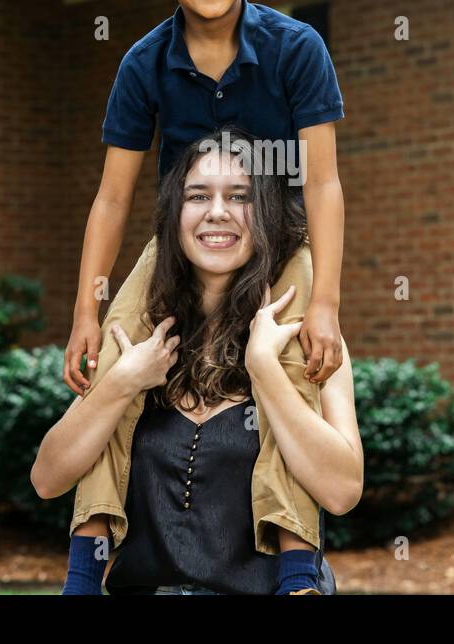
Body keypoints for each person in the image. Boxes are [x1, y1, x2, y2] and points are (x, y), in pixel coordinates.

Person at [60, 0, 349, 581]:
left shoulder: (296, 48)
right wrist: (86, 310)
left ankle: (296, 569)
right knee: (115, 378)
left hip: (280, 245)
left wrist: (326, 304)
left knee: (286, 375)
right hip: (177, 249)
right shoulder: (143, 64)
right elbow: (111, 197)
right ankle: (82, 564)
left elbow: (323, 181)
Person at [32, 129, 363, 593]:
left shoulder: (307, 343)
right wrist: (123, 382)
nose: (217, 212)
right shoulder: (141, 344)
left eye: (240, 196)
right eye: (198, 195)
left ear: (265, 215)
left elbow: (342, 491)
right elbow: (47, 478)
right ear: (175, 215)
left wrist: (265, 370)